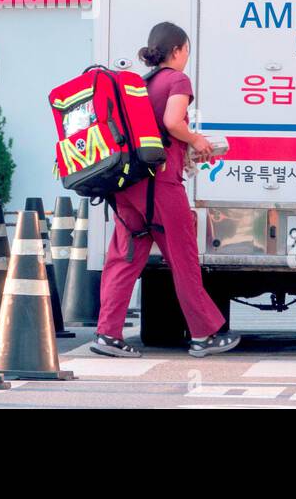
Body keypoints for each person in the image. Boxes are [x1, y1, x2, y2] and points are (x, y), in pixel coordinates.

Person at [91, 22, 241, 359]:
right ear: (176, 51)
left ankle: (108, 334)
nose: (187, 56)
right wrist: (197, 139)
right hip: (161, 185)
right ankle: (204, 334)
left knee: (125, 257)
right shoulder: (177, 80)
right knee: (183, 257)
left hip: (129, 185)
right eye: (186, 50)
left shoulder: (141, 84)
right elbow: (174, 122)